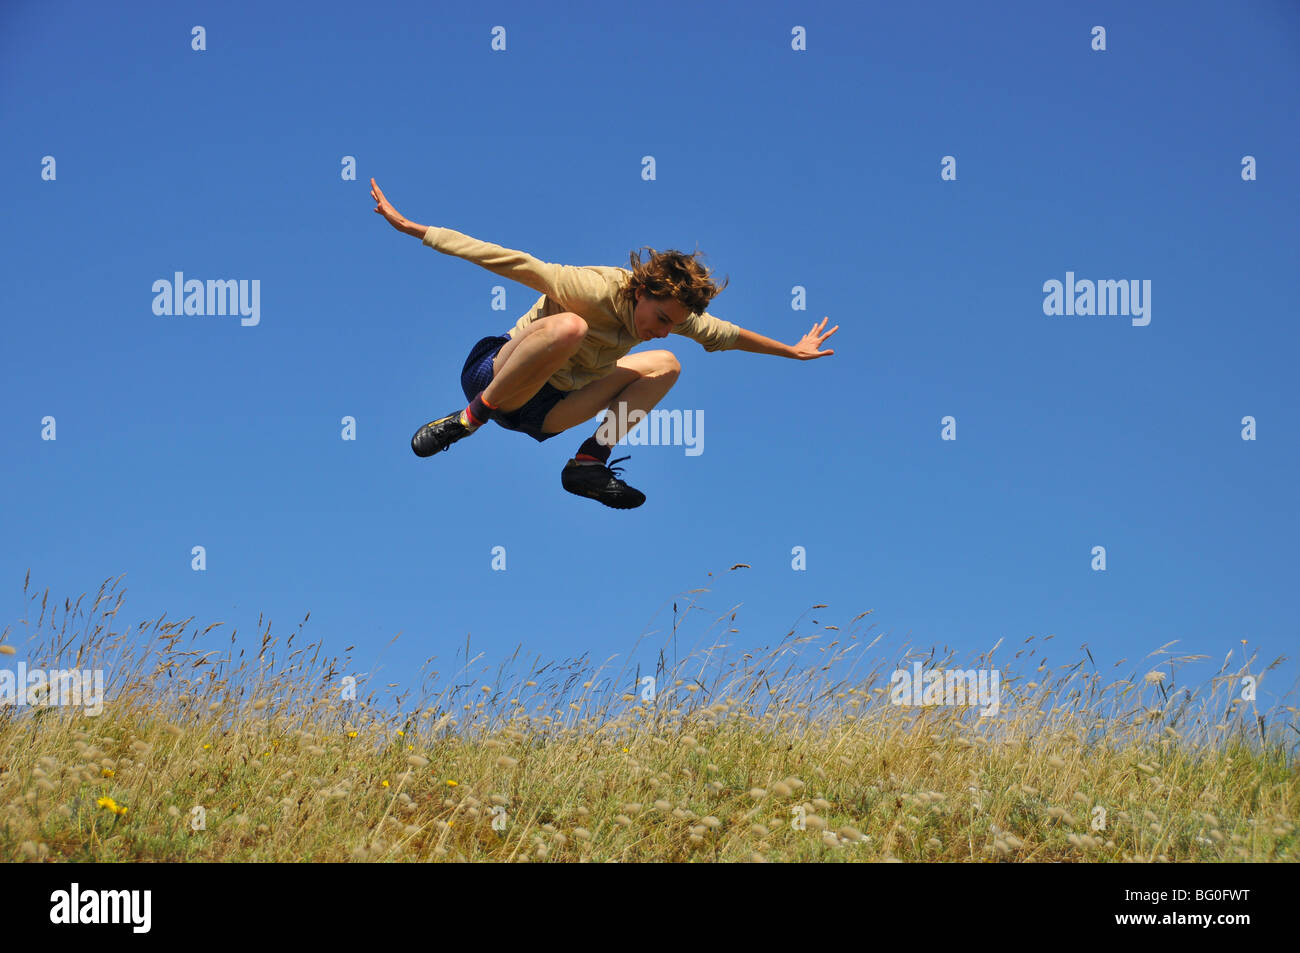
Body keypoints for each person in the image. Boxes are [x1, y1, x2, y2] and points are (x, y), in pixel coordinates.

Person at [370, 178, 837, 508]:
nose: (660, 330)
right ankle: (465, 421)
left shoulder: (669, 318)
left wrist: (792, 351)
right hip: (496, 376)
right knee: (569, 328)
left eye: (673, 323)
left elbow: (727, 335)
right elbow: (511, 261)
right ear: (640, 291)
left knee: (667, 365)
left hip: (545, 411)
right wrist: (418, 231)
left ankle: (588, 465)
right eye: (659, 319)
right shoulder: (591, 288)